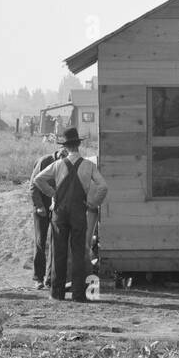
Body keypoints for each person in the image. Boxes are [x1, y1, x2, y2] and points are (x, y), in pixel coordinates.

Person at [32, 127, 107, 302]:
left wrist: (53, 194)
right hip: (79, 212)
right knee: (79, 251)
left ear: (65, 147)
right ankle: (79, 294)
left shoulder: (57, 165)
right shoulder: (89, 166)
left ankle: (56, 293)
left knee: (59, 251)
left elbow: (38, 180)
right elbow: (103, 186)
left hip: (59, 212)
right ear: (79, 145)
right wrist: (93, 202)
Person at [29, 147, 65, 290]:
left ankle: (50, 278)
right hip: (42, 205)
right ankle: (38, 278)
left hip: (57, 205)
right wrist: (39, 206)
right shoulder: (45, 161)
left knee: (56, 241)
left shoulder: (67, 162)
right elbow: (33, 185)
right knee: (40, 241)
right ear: (60, 153)